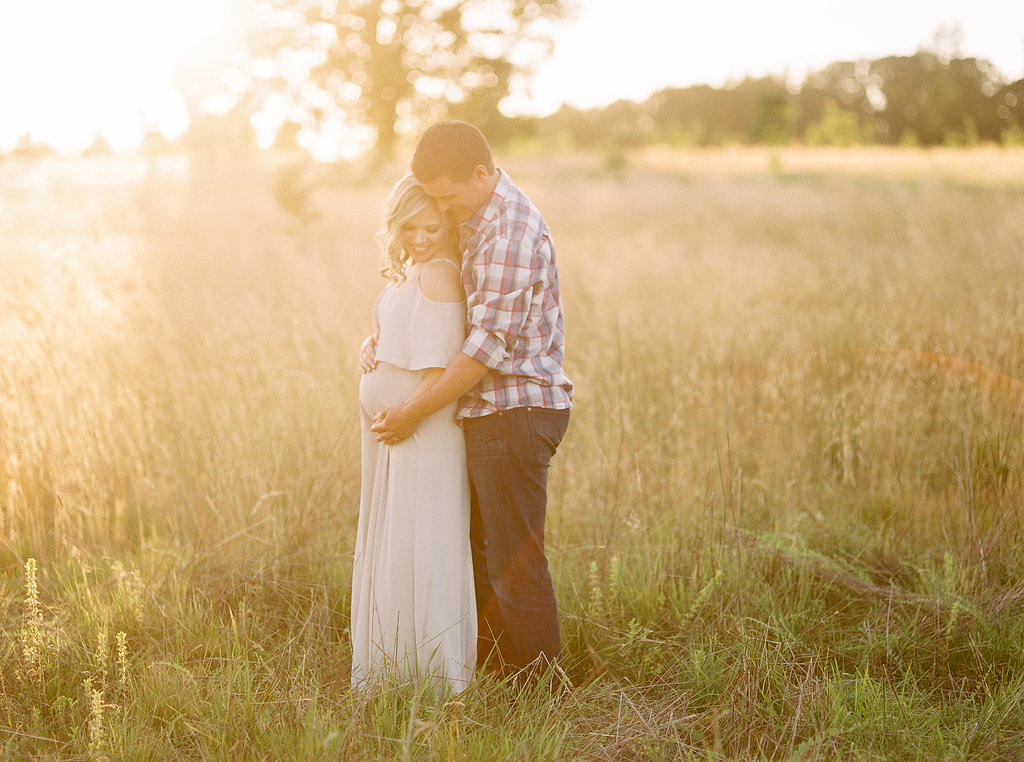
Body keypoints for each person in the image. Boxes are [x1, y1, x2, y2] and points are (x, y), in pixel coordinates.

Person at [367, 120, 573, 679]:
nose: (443, 207)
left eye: (447, 195)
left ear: (480, 174)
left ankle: (542, 692)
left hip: (515, 411)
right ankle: (499, 671)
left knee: (513, 561)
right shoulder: (477, 220)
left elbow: (483, 350)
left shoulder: (508, 230)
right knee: (486, 555)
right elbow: (446, 320)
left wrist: (412, 412)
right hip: (489, 414)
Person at [350, 173, 476, 694]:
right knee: (399, 537)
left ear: (447, 224)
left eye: (431, 227)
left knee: (424, 539)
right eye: (409, 227)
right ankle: (395, 662)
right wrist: (370, 341)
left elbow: (439, 368)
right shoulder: (414, 271)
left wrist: (406, 413)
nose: (421, 238)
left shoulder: (441, 275)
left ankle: (433, 674)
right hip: (398, 427)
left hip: (420, 429)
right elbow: (400, 332)